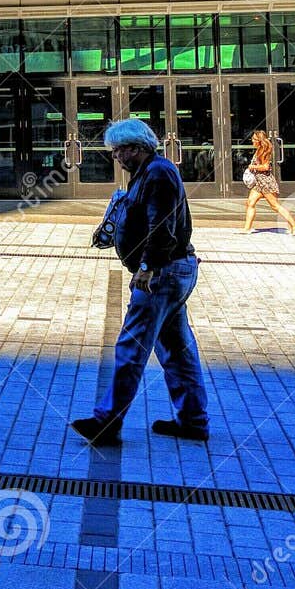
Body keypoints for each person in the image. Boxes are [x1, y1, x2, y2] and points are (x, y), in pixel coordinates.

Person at [72, 117, 209, 445]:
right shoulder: (148, 172)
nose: (116, 157)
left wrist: (146, 267)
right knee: (176, 349)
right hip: (173, 270)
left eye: (120, 150)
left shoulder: (158, 173)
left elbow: (161, 225)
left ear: (138, 147)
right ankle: (193, 419)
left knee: (131, 346)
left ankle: (107, 422)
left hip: (162, 273)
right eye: (115, 151)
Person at [239, 130, 295, 235]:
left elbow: (266, 167)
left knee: (275, 206)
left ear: (259, 140)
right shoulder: (259, 150)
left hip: (266, 182)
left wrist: (252, 166)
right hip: (258, 183)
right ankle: (246, 228)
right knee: (250, 202)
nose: (252, 141)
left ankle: (294, 225)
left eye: (254, 139)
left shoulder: (264, 150)